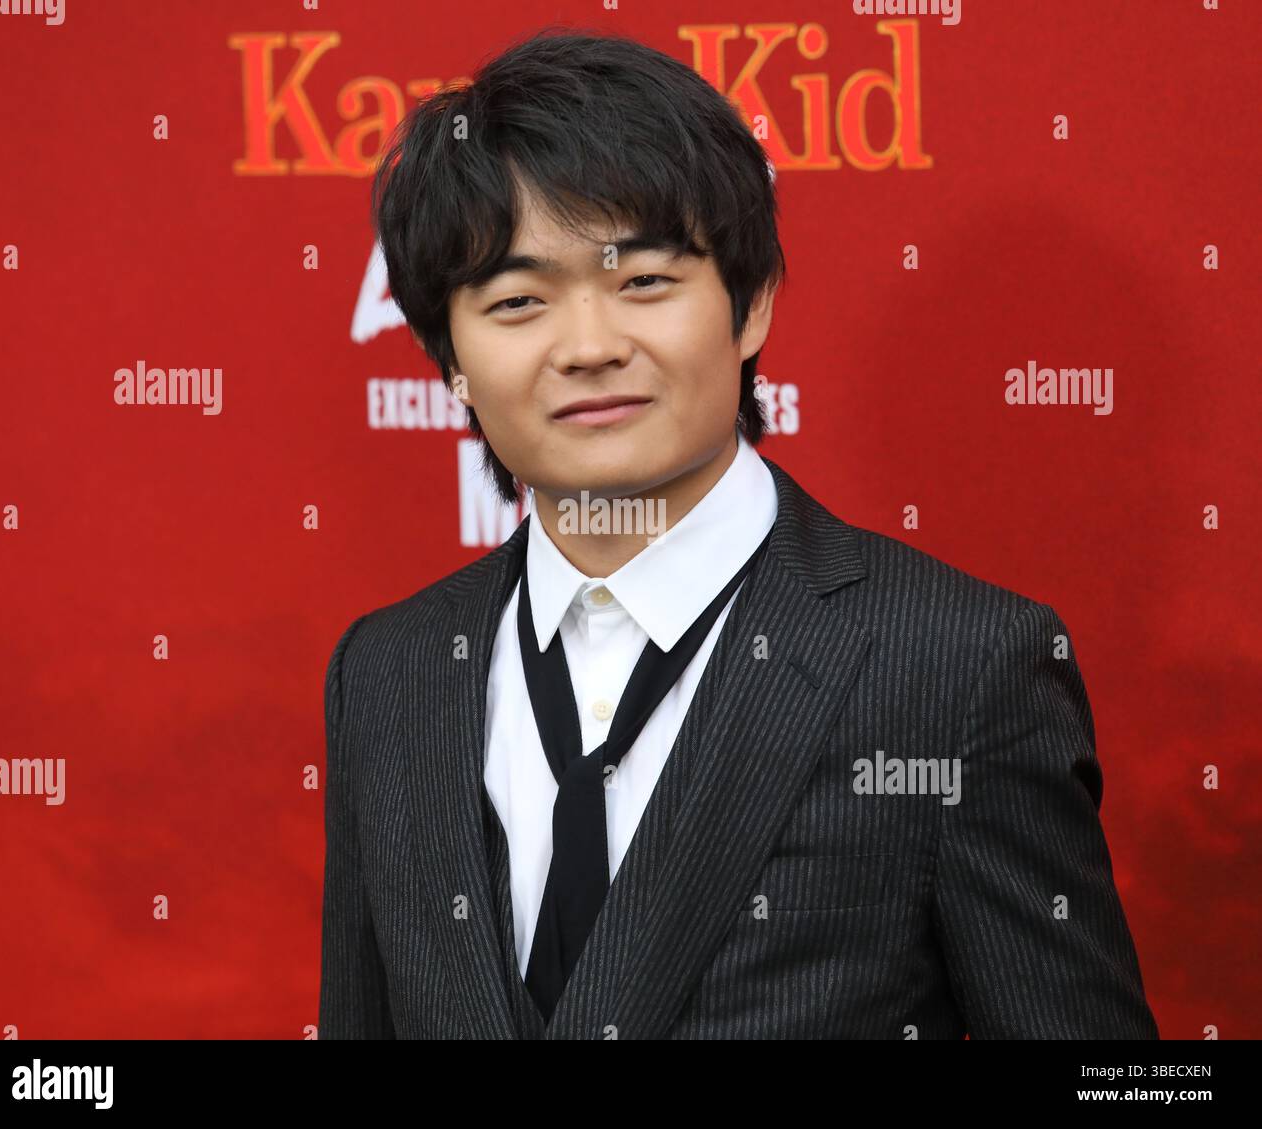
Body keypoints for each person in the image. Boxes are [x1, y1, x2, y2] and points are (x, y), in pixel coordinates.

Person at [318, 27, 1158, 1039]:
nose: (588, 347)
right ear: (447, 356)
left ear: (751, 304)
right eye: (518, 300)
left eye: (642, 284)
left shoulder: (957, 666)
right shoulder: (389, 672)